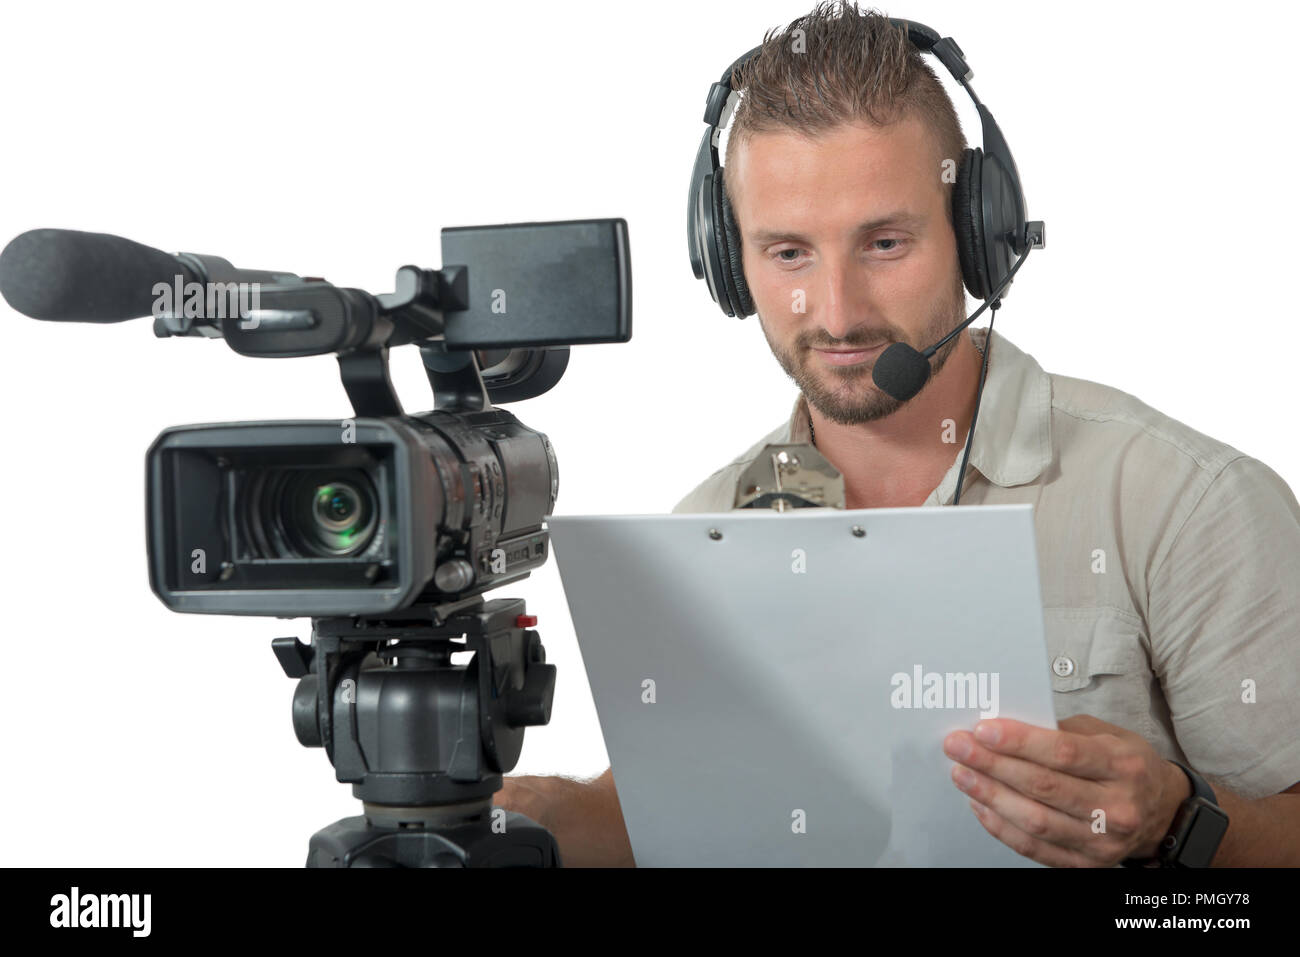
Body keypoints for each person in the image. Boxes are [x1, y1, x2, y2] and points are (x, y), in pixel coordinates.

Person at [495, 2, 1300, 867]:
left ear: (978, 237)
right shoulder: (708, 527)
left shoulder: (1183, 503)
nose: (835, 313)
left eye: (883, 242)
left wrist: (1178, 822)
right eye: (788, 253)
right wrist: (515, 814)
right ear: (729, 264)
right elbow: (669, 813)